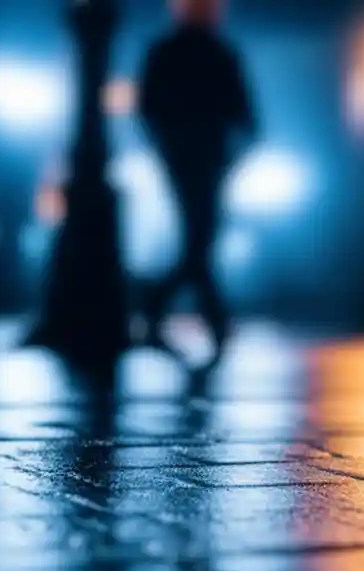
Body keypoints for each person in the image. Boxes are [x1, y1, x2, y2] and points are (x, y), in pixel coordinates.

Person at [139, 0, 258, 361]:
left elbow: (149, 108)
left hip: (194, 158)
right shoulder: (217, 52)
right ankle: (208, 316)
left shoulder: (173, 51)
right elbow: (246, 116)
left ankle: (163, 305)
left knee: (199, 238)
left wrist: (166, 145)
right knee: (201, 237)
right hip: (203, 158)